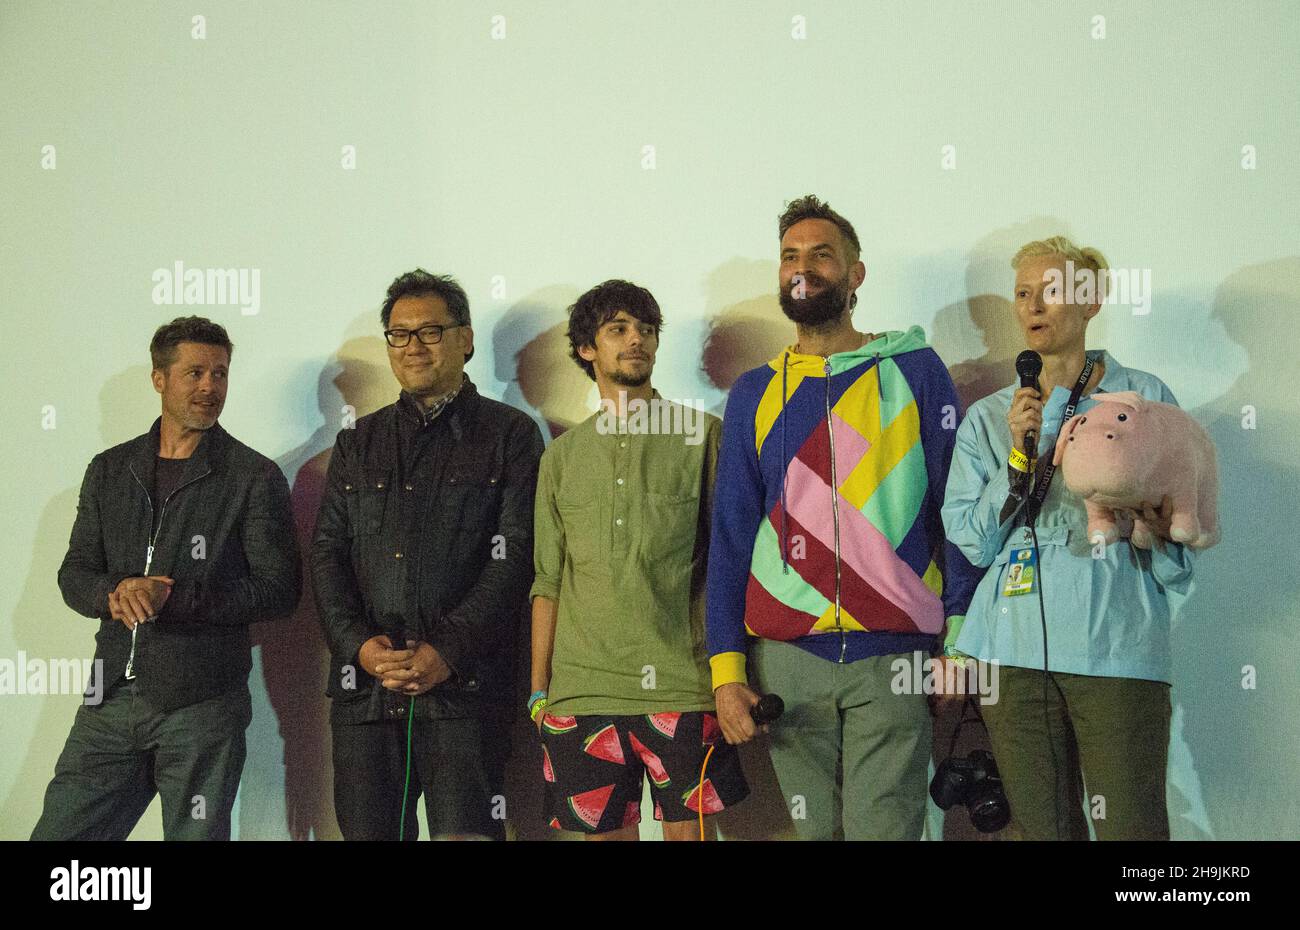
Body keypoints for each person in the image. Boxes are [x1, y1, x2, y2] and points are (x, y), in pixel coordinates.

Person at [707, 195, 980, 840]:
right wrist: (727, 672)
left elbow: (956, 513)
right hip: (784, 656)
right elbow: (730, 538)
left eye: (822, 254)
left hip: (895, 650)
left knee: (885, 834)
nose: (804, 267)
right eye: (790, 256)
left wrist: (962, 645)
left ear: (856, 275)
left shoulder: (918, 371)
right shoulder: (752, 392)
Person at [941, 236, 1194, 840]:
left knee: (1133, 831)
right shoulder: (991, 417)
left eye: (1051, 292)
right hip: (1013, 647)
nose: (1034, 306)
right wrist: (1015, 457)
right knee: (1042, 830)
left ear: (1093, 301)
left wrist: (1153, 523)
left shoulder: (1145, 399)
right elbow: (973, 543)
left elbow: (1182, 527)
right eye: (1023, 293)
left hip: (1115, 641)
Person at [32, 316, 301, 841]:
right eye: (195, 373)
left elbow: (278, 589)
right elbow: (74, 573)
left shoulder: (252, 475)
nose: (209, 387)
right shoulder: (110, 469)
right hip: (108, 699)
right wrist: (115, 593)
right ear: (159, 379)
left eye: (220, 374)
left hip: (202, 706)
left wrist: (171, 599)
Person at [312, 269, 544, 840]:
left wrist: (449, 649)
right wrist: (360, 647)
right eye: (399, 334)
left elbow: (515, 556)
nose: (413, 346)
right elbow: (326, 557)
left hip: (465, 692)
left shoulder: (510, 435)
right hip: (366, 691)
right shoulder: (356, 442)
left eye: (430, 332)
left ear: (464, 339)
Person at [530, 280, 748, 840]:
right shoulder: (560, 457)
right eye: (618, 329)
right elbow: (547, 581)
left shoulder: (703, 436)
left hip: (683, 683)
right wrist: (538, 691)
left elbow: (729, 563)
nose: (637, 341)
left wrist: (730, 675)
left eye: (647, 330)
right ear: (587, 348)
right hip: (581, 692)